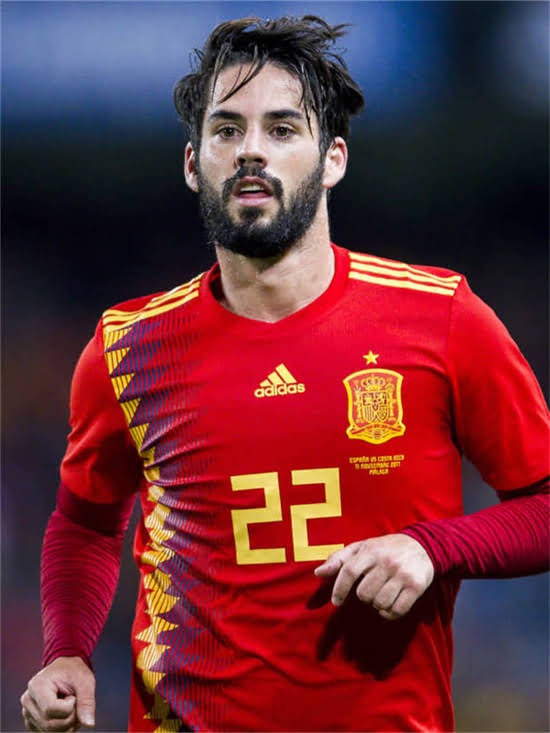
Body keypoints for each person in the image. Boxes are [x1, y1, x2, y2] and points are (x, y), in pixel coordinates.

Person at [21, 15, 549, 733]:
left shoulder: (443, 318)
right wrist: (66, 652)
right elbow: (84, 521)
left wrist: (434, 548)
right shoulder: (127, 347)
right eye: (227, 129)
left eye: (281, 128)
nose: (251, 150)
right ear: (192, 164)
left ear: (332, 159)